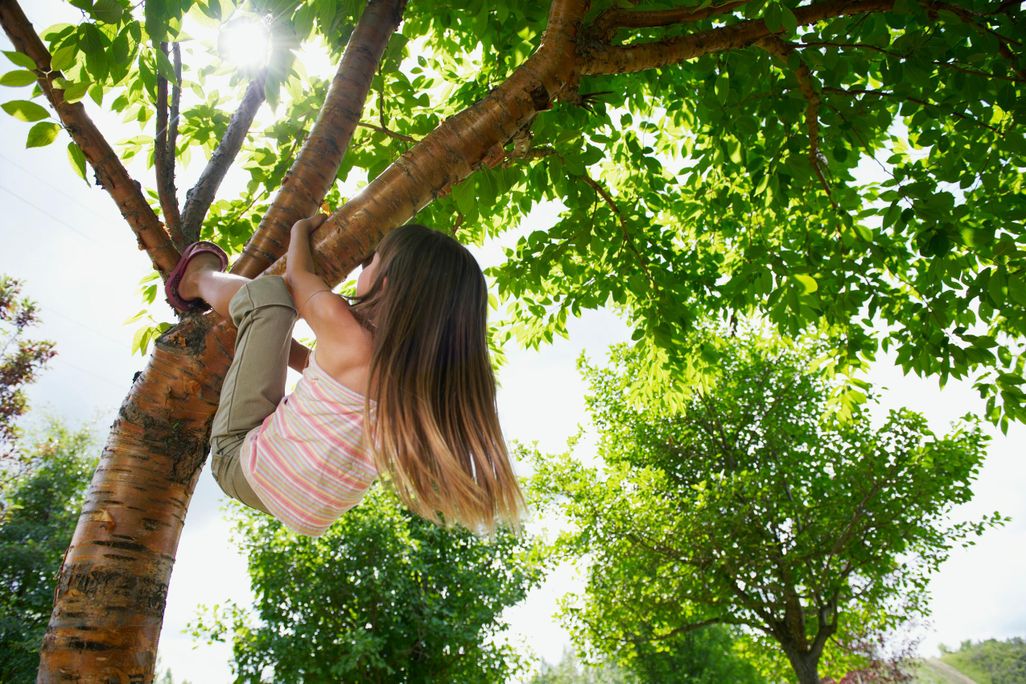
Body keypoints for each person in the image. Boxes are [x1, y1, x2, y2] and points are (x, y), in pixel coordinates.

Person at [164, 215, 524, 536]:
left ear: (387, 284)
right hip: (308, 506)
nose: (361, 270)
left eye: (372, 262)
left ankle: (197, 279)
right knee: (274, 327)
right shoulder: (418, 380)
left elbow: (296, 278)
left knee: (268, 298)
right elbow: (325, 382)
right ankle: (242, 324)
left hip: (239, 459)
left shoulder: (348, 332)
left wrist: (299, 229)